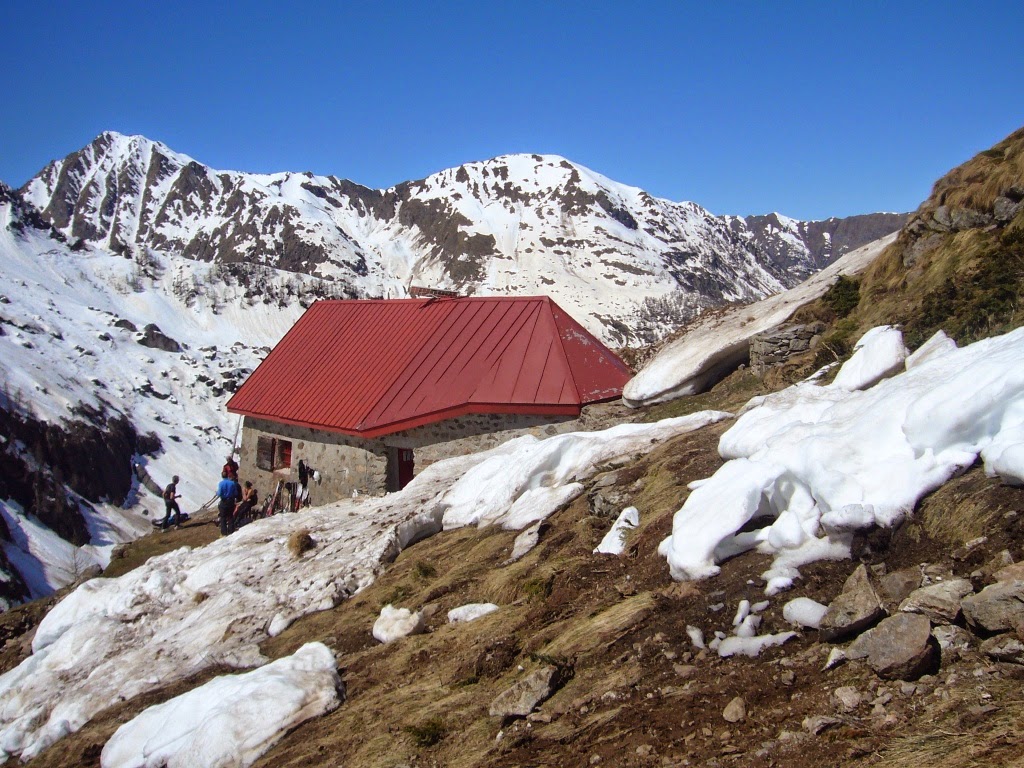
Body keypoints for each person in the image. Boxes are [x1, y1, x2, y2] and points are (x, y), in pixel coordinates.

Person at [216, 470, 241, 536]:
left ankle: (224, 532)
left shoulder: (221, 483)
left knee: (223, 517)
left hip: (224, 501)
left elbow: (219, 493)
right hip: (231, 501)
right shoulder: (232, 483)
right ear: (227, 475)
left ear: (222, 476)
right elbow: (236, 493)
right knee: (230, 516)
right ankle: (231, 531)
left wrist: (217, 493)